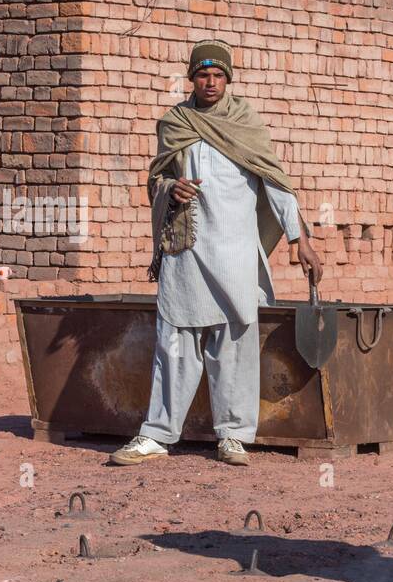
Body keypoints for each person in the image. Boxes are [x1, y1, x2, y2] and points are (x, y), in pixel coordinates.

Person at [112, 40, 322, 467]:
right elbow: (157, 181)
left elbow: (275, 181)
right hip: (187, 248)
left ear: (228, 80)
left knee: (235, 342)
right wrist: (171, 188)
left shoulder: (246, 123)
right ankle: (156, 434)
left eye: (218, 76)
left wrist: (299, 237)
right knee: (175, 341)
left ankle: (232, 436)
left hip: (236, 250)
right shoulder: (175, 123)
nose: (211, 82)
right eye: (203, 75)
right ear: (191, 78)